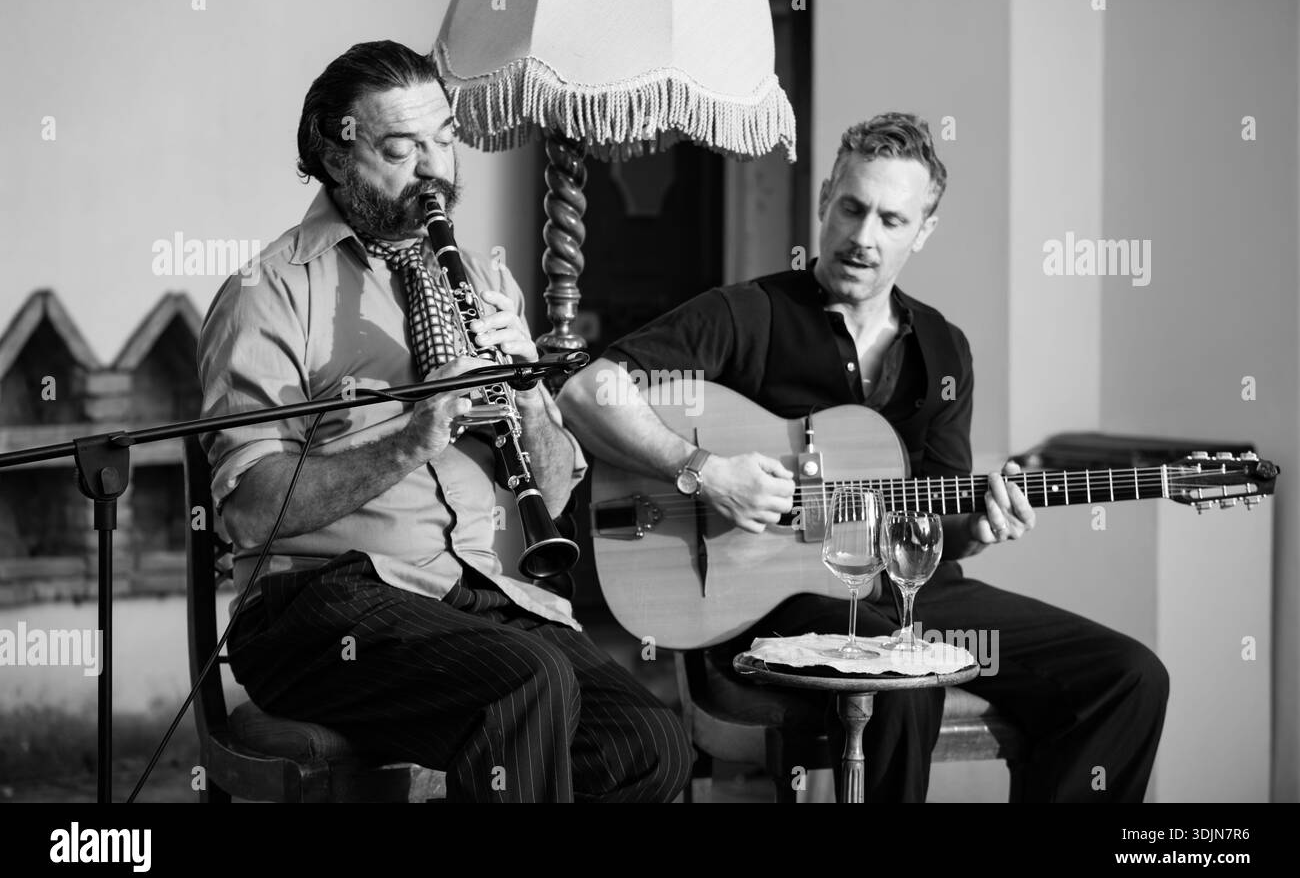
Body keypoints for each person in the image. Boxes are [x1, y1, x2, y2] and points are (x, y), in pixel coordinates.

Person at [557, 113, 1169, 802]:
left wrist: (979, 526)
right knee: (902, 681)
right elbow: (585, 390)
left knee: (1127, 675)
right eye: (852, 208)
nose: (864, 236)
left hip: (911, 594)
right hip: (777, 600)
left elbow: (938, 518)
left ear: (924, 230)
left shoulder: (944, 349)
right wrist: (705, 469)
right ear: (825, 200)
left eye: (891, 219)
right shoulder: (748, 314)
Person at [197, 41, 691, 803]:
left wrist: (529, 387)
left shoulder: (484, 281)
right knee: (527, 681)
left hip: (467, 592)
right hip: (315, 607)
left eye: (445, 141)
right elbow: (251, 509)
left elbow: (554, 492)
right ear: (336, 157)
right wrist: (414, 438)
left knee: (650, 742)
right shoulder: (271, 292)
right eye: (402, 150)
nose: (434, 169)